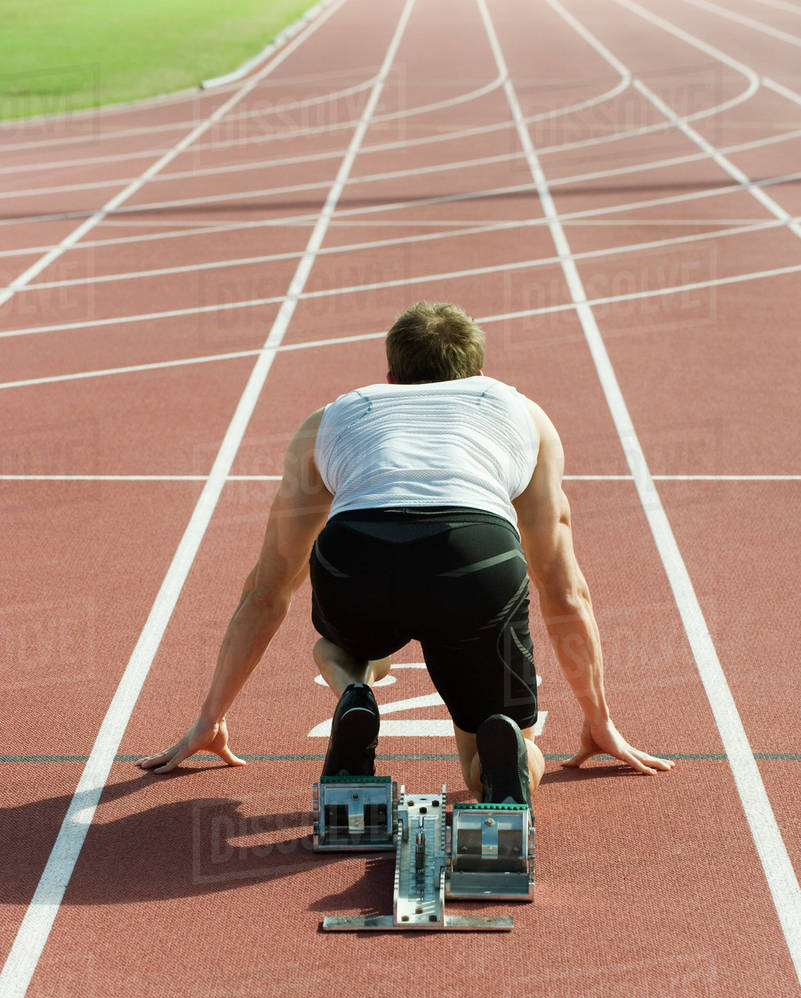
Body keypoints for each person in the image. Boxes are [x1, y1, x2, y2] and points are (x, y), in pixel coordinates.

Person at [138, 302, 674, 804]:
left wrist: (211, 715)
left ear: (389, 377)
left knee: (337, 651)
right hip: (474, 554)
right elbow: (564, 588)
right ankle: (506, 750)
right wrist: (598, 717)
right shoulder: (524, 414)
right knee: (488, 748)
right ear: (479, 375)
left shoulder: (331, 418)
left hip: (357, 556)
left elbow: (267, 588)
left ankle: (353, 690)